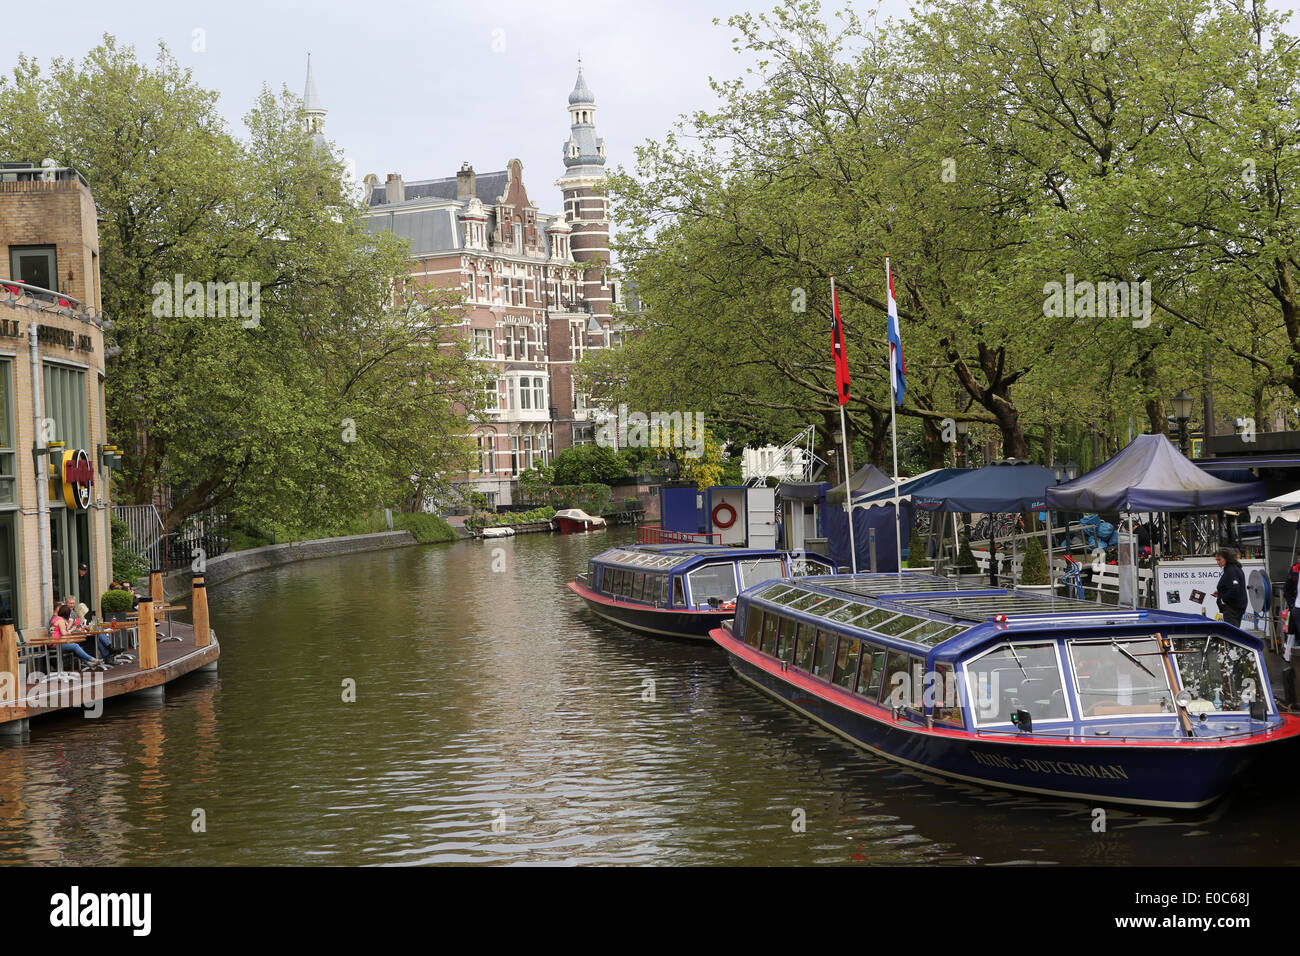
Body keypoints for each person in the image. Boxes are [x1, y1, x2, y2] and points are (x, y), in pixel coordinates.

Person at [1212, 548, 1248, 628]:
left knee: (1232, 634)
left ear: (1227, 559)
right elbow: (1233, 587)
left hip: (1232, 608)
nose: (1218, 562)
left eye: (1219, 560)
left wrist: (1222, 599)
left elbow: (1235, 588)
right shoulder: (1234, 568)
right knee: (1234, 631)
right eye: (1216, 560)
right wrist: (1220, 592)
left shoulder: (1231, 570)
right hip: (1236, 606)